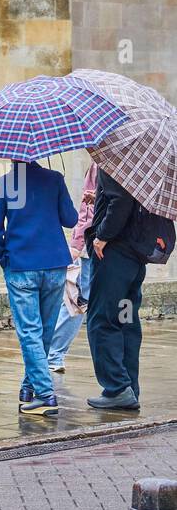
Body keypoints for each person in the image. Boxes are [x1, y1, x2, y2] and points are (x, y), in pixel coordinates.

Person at [0, 160, 77, 416]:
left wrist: (2, 257)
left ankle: (46, 395)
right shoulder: (55, 179)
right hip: (55, 264)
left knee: (29, 332)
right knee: (44, 331)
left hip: (21, 265)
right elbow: (70, 220)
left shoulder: (1, 185)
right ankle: (29, 387)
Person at [84, 169, 151, 412]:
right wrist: (100, 196)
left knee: (102, 320)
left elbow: (120, 201)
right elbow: (126, 198)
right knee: (126, 321)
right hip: (134, 258)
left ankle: (116, 388)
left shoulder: (113, 161)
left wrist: (102, 236)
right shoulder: (140, 163)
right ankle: (129, 386)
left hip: (113, 257)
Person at [48, 163, 97, 373]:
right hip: (108, 245)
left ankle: (54, 353)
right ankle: (54, 353)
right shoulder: (106, 164)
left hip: (99, 243)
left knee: (77, 300)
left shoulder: (99, 165)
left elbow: (87, 212)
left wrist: (77, 243)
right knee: (80, 300)